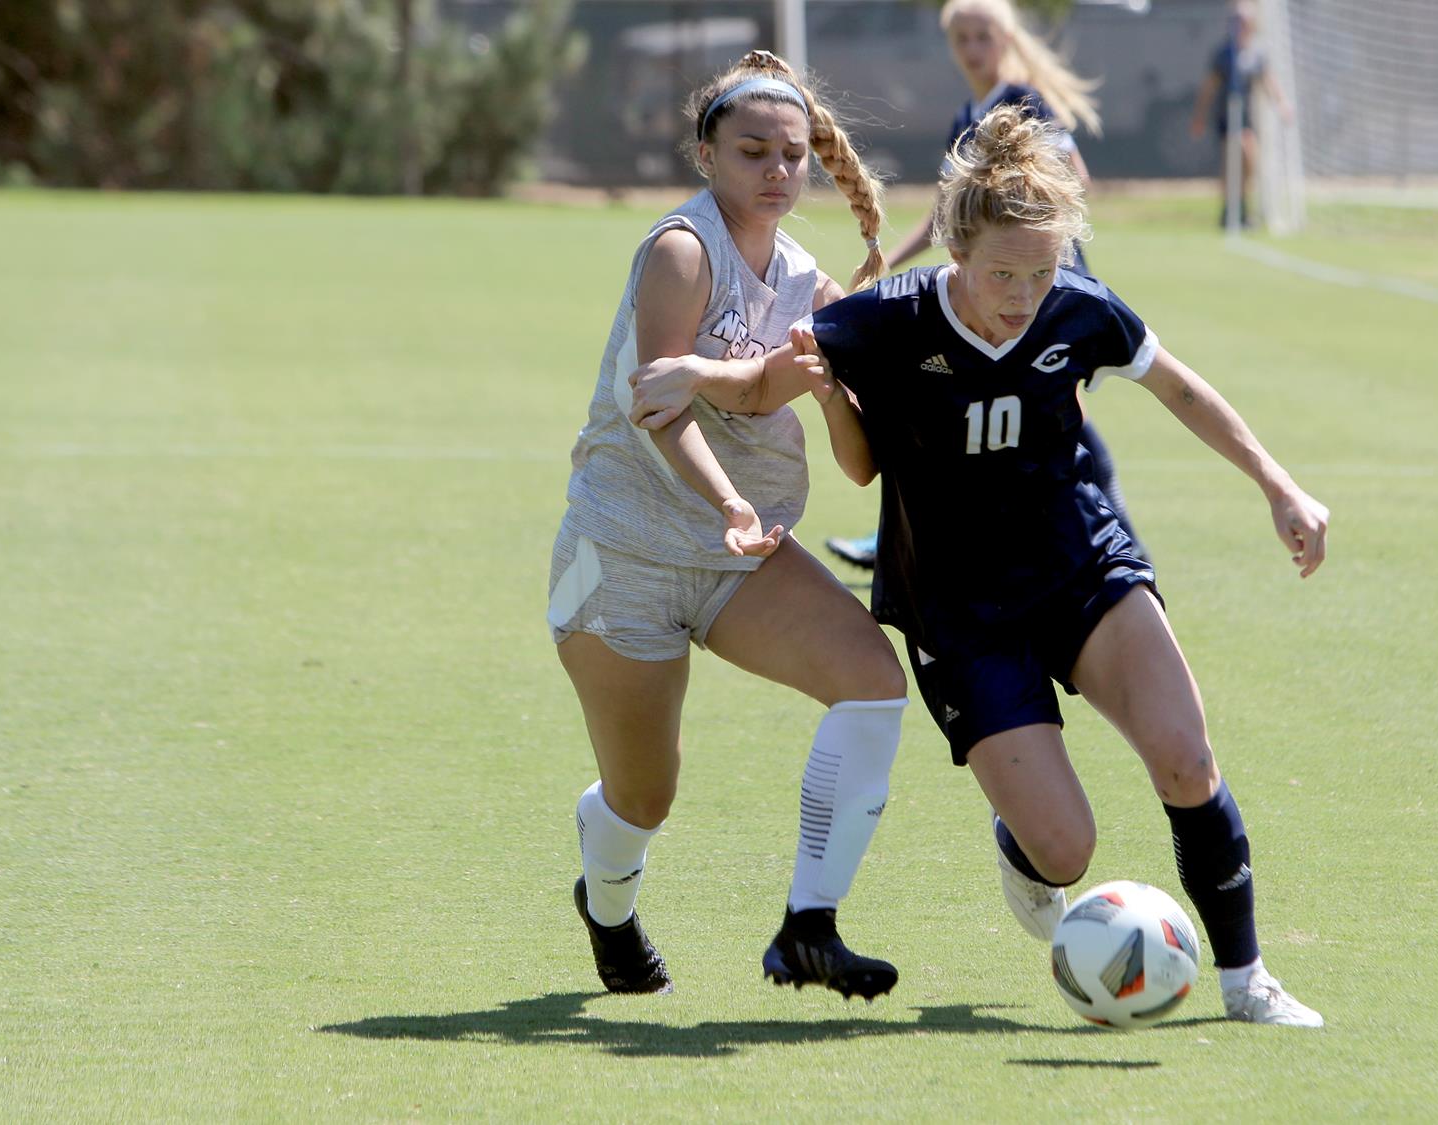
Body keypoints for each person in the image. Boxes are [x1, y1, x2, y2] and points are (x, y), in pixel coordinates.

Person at [634, 106, 1330, 1026]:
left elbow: (1181, 389)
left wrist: (1280, 486)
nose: (1023, 293)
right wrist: (695, 372)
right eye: (1003, 272)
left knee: (1185, 760)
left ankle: (1247, 979)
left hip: (1080, 565)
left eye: (1040, 273)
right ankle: (1026, 846)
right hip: (959, 611)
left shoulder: (1079, 307)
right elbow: (776, 381)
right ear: (956, 249)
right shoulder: (885, 320)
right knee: (1065, 850)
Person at [548, 50, 909, 1001]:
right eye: (753, 151)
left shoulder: (808, 285)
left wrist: (850, 382)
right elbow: (662, 406)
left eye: (792, 155)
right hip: (620, 554)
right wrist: (732, 503)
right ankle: (610, 908)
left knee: (873, 681)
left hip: (740, 560)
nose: (777, 171)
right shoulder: (681, 249)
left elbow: (845, 430)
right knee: (643, 795)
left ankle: (811, 927)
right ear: (706, 155)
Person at [822, 0, 1145, 573]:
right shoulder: (965, 115)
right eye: (963, 38)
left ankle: (1114, 537)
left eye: (983, 37)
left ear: (1005, 40)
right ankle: (917, 536)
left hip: (1043, 287)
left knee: (1058, 414)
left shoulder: (1024, 102)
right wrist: (889, 258)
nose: (973, 49)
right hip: (996, 285)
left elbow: (1075, 178)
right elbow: (952, 218)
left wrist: (1029, 240)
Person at [1189, 0, 1293, 230]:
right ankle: (1229, 211)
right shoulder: (1224, 54)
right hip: (1226, 116)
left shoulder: (1256, 54)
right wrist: (1199, 117)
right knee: (1232, 160)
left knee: (1249, 161)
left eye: (1244, 22)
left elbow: (1268, 81)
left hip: (1247, 115)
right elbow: (1209, 88)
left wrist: (1282, 104)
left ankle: (1243, 209)